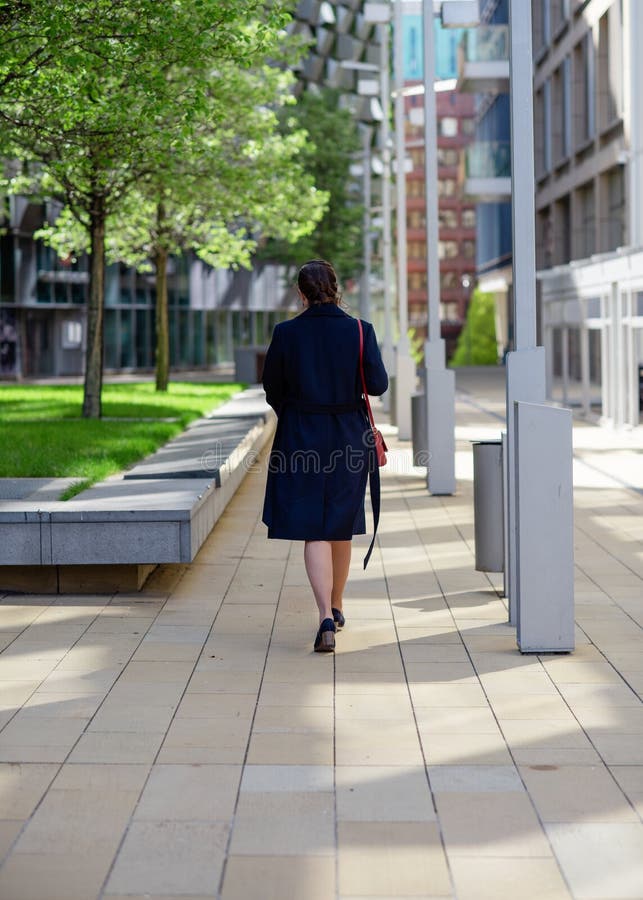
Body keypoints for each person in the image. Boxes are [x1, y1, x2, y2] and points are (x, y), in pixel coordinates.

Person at [261, 259, 388, 653]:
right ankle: (338, 604)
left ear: (301, 293)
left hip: (301, 437)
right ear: (337, 288)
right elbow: (379, 385)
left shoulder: (286, 333)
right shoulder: (359, 330)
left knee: (314, 529)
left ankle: (324, 618)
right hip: (348, 437)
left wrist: (297, 415)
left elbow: (272, 389)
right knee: (340, 524)